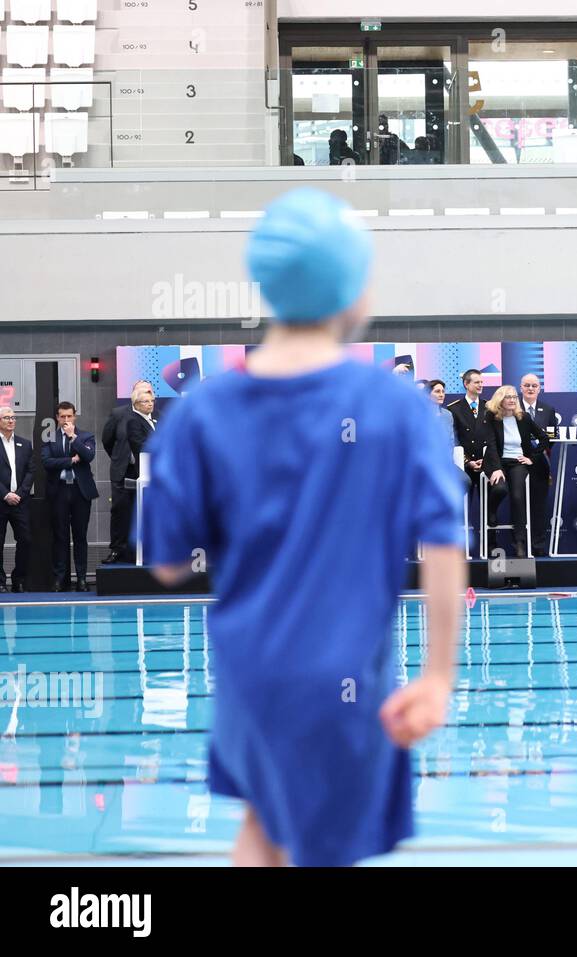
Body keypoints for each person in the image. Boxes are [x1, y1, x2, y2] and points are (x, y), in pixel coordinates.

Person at [144, 187, 466, 867]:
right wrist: (438, 675)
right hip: (346, 681)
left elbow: (166, 559)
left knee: (266, 825)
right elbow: (443, 542)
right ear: (352, 292)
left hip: (248, 681)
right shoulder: (396, 408)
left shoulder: (201, 412)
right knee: (321, 847)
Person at [482, 385, 550, 558]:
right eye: (508, 397)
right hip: (496, 462)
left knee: (518, 497)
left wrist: (532, 458)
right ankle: (491, 511)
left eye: (514, 397)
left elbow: (544, 438)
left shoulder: (523, 417)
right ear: (500, 400)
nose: (512, 400)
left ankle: (519, 542)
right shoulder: (491, 417)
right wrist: (496, 468)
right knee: (500, 489)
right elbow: (490, 444)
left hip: (517, 462)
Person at [43, 401, 97, 592]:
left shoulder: (85, 436)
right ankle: (59, 579)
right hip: (58, 492)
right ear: (57, 418)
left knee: (80, 536)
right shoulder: (50, 437)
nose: (66, 420)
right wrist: (70, 460)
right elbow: (47, 462)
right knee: (60, 536)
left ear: (75, 416)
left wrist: (73, 438)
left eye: (69, 416)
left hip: (80, 491)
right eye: (62, 416)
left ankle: (82, 578)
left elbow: (89, 457)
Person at [104, 380, 155, 565]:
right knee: (120, 510)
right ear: (134, 397)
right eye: (142, 394)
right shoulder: (119, 414)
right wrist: (120, 460)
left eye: (149, 393)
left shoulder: (156, 417)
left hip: (147, 472)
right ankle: (117, 550)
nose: (148, 400)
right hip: (124, 470)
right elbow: (107, 440)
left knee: (144, 512)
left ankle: (143, 551)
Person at [446, 369, 493, 548]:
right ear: (466, 384)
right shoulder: (453, 409)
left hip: (485, 465)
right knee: (460, 508)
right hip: (463, 466)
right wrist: (467, 461)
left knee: (487, 509)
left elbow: (492, 437)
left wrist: (485, 460)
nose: (481, 385)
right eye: (477, 382)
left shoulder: (490, 407)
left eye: (482, 382)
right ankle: (458, 547)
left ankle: (487, 546)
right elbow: (454, 439)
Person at [520, 374, 561, 556]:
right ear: (521, 388)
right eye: (527, 385)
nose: (530, 388)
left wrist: (536, 454)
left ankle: (538, 545)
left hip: (540, 463)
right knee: (519, 504)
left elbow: (552, 437)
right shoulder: (513, 408)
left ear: (539, 389)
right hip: (517, 462)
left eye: (534, 386)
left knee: (539, 506)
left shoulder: (548, 409)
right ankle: (521, 545)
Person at [0, 406, 35, 593]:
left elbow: (31, 471)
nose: (11, 420)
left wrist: (20, 493)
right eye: (6, 417)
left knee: (26, 540)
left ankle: (18, 579)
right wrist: (5, 494)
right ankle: (0, 581)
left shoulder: (25, 444)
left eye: (13, 417)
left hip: (20, 501)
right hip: (1, 500)